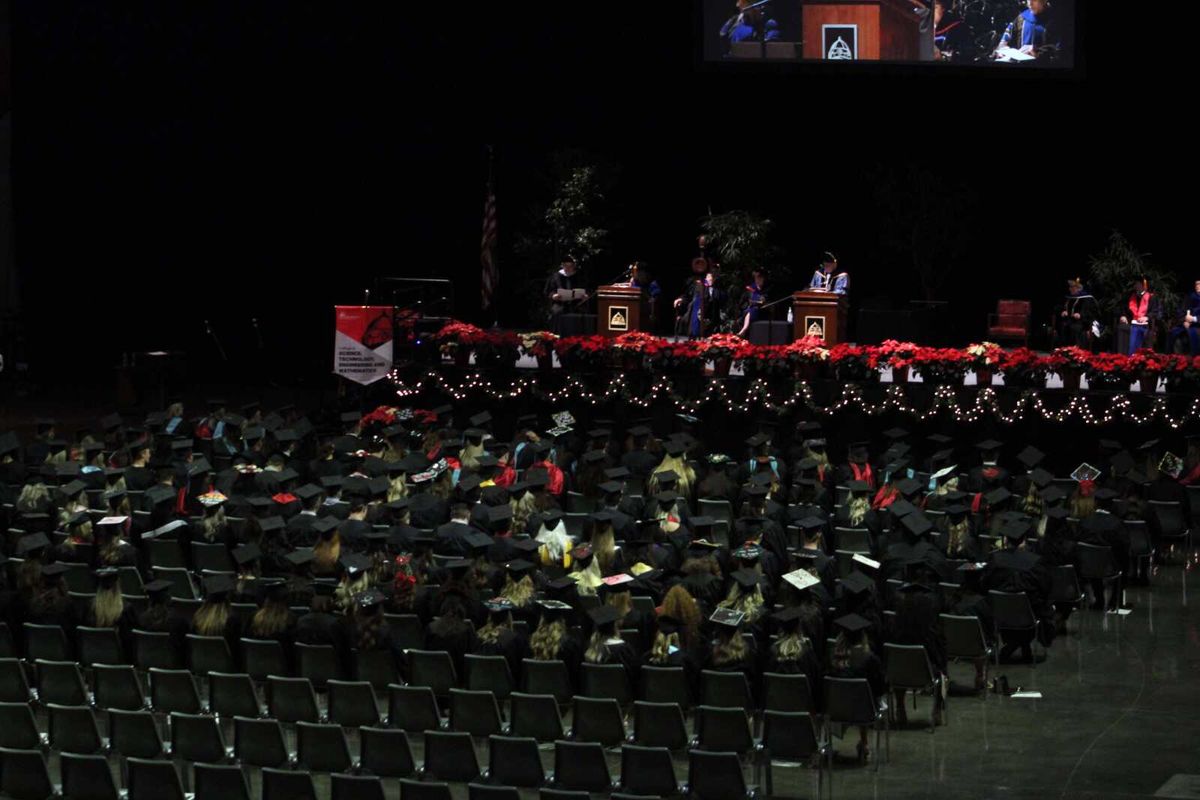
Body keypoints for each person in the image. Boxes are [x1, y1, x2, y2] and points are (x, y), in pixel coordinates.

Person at [995, 0, 1063, 60]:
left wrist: (1037, 51)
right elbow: (1004, 41)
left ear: (1044, 1)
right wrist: (1002, 50)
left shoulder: (1056, 21)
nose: (1030, 4)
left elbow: (1059, 50)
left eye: (1034, 0)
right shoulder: (1021, 18)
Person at [1119, 276, 1162, 354]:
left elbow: (1156, 311)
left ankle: (1135, 356)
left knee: (1137, 331)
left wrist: (1147, 317)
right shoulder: (1131, 296)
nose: (1136, 286)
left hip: (1146, 325)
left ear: (1143, 285)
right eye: (1135, 284)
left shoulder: (1151, 297)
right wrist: (1123, 315)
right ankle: (1124, 356)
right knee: (1122, 328)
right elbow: (1125, 308)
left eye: (1138, 284)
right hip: (1132, 323)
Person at [544, 256, 588, 329]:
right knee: (556, 312)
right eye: (566, 266)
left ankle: (577, 334)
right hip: (560, 303)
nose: (568, 268)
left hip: (576, 303)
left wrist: (585, 296)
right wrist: (553, 295)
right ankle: (558, 333)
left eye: (570, 266)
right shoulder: (555, 276)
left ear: (574, 266)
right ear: (562, 265)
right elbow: (549, 290)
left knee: (581, 312)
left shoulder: (579, 276)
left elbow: (585, 289)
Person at [1056, 277, 1100, 350]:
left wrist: (1081, 315)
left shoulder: (1087, 298)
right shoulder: (1068, 298)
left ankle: (1076, 351)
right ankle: (1063, 350)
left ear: (1079, 288)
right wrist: (1062, 312)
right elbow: (1059, 307)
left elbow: (1092, 312)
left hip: (1083, 323)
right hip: (1068, 321)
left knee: (1075, 328)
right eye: (1070, 287)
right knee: (1062, 326)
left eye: (1072, 287)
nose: (1070, 289)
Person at [1168, 280, 1200, 356]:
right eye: (1196, 284)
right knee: (1173, 332)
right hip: (1187, 324)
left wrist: (1194, 319)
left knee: (1192, 335)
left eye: (1199, 284)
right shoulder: (1190, 297)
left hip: (1198, 324)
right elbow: (1181, 311)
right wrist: (1184, 320)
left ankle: (1193, 358)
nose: (1197, 286)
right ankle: (1173, 358)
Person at [736, 269, 769, 337]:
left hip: (762, 310)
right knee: (751, 310)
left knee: (752, 310)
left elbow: (766, 300)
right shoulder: (750, 288)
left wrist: (763, 300)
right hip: (750, 309)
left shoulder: (766, 289)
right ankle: (744, 329)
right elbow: (743, 302)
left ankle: (744, 329)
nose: (759, 280)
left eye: (761, 278)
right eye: (757, 278)